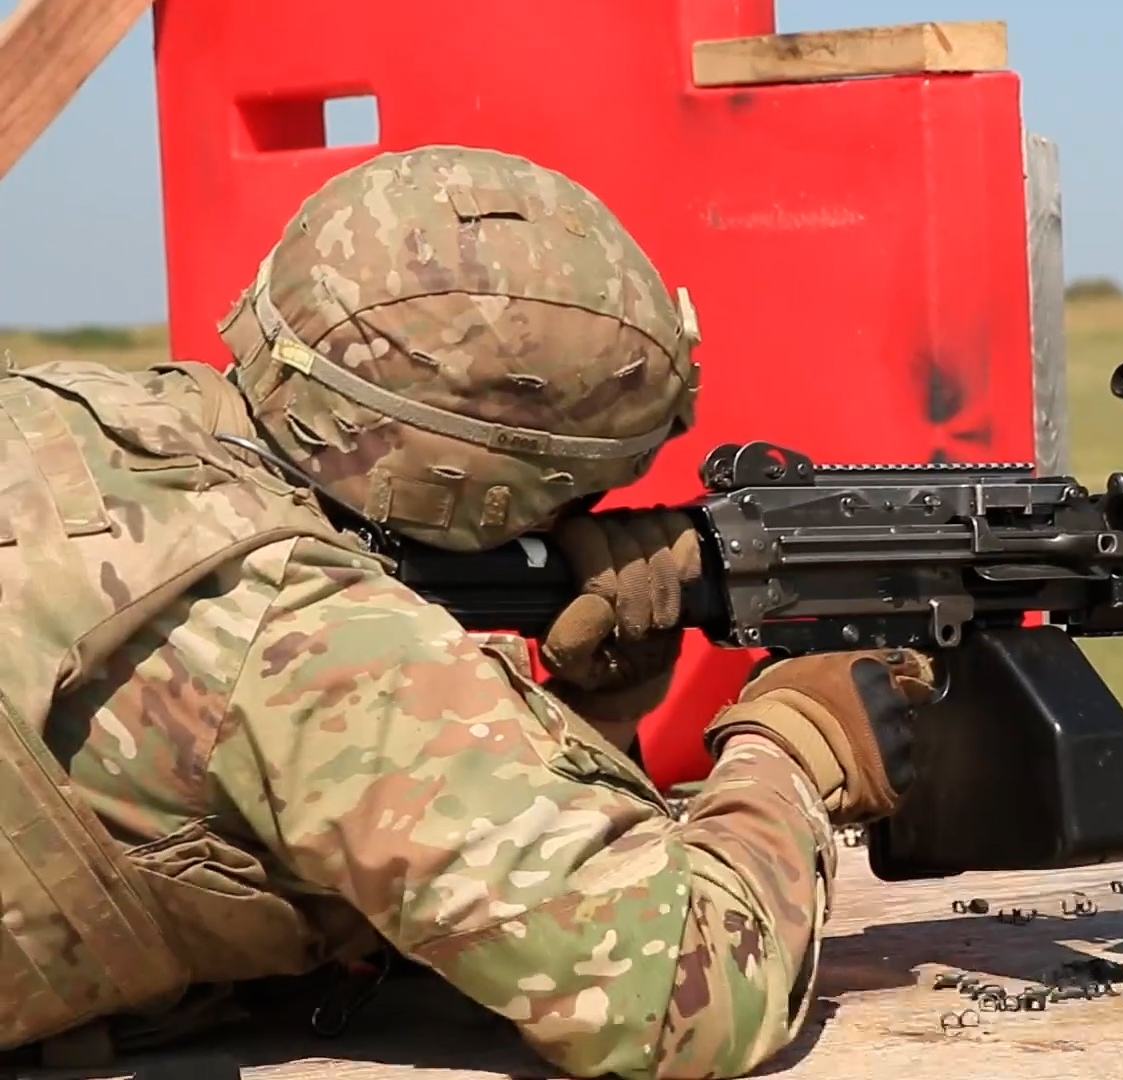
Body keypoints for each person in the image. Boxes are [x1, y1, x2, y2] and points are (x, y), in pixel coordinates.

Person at [0, 144, 931, 1080]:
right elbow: (680, 1001)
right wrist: (791, 744)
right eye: (577, 495)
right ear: (482, 486)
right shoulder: (310, 634)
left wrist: (584, 729)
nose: (588, 517)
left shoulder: (80, 417)